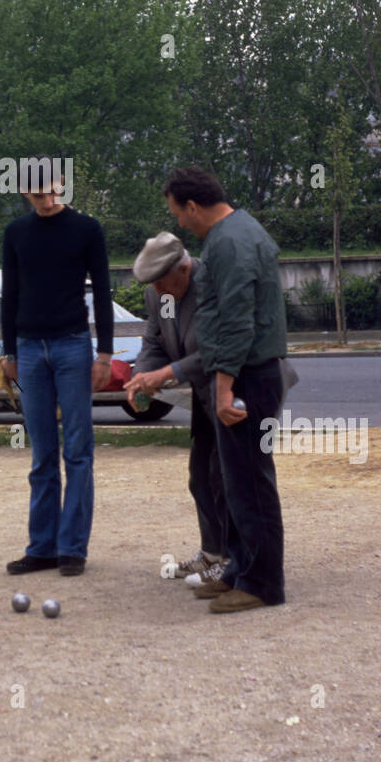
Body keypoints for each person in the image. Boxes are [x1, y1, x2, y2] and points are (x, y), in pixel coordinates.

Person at [163, 166, 288, 614]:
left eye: (179, 213)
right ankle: (239, 571)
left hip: (248, 376)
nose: (180, 223)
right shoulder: (235, 232)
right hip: (248, 373)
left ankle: (262, 584)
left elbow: (236, 321)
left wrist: (223, 387)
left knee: (250, 482)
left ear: (193, 206)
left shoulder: (230, 242)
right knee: (234, 482)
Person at [0, 156, 114, 577]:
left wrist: (105, 354)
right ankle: (42, 547)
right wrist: (9, 352)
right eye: (37, 195)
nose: (47, 201)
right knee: (42, 453)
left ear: (61, 183)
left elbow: (103, 291)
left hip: (73, 344)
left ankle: (72, 548)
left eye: (52, 191)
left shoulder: (87, 229)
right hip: (29, 348)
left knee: (78, 450)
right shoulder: (16, 233)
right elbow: (10, 293)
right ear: (23, 193)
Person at [124, 231, 231, 590]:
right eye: (152, 284)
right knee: (200, 476)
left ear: (184, 268)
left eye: (161, 281)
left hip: (236, 391)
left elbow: (215, 351)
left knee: (226, 477)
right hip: (204, 396)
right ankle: (212, 555)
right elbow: (155, 342)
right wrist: (141, 377)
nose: (156, 291)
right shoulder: (162, 295)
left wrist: (165, 374)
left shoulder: (214, 286)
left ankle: (234, 562)